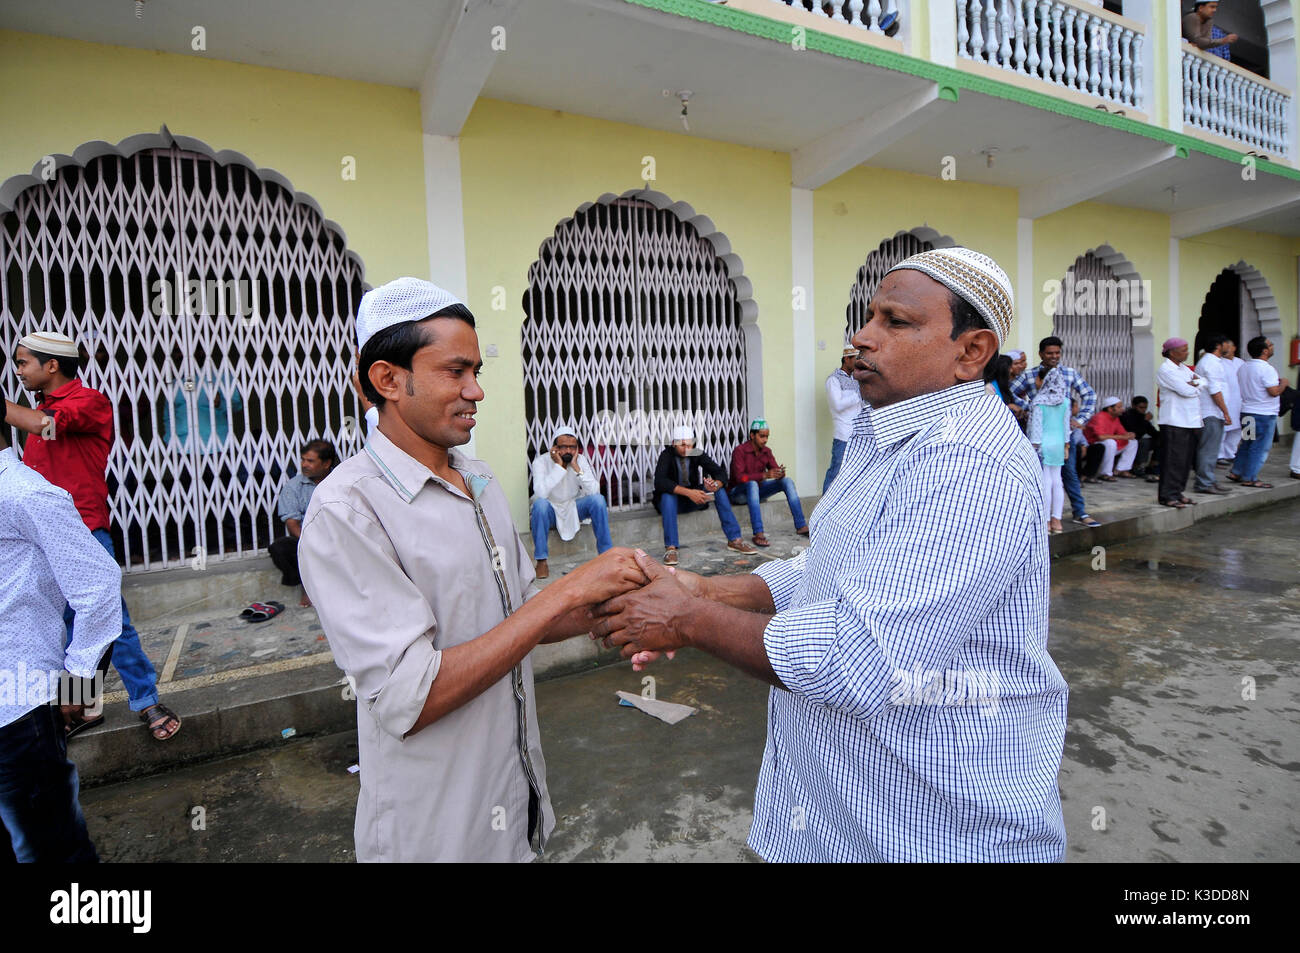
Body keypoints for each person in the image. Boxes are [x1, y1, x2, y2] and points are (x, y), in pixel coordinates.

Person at [594, 247, 1068, 862]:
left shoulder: (969, 462)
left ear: (970, 352)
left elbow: (854, 659)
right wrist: (700, 590)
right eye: (868, 317)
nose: (861, 338)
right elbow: (824, 575)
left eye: (895, 323)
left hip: (931, 827)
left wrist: (685, 620)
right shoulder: (883, 434)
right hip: (826, 812)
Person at [297, 277, 646, 863]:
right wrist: (565, 595)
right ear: (387, 380)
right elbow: (414, 695)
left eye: (476, 370)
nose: (476, 391)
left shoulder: (478, 479)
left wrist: (634, 601)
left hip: (516, 800)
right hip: (436, 832)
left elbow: (521, 607)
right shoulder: (347, 511)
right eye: (455, 372)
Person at [5, 331, 180, 741]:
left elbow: (46, 428)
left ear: (52, 365)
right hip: (44, 537)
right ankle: (83, 706)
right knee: (67, 628)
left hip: (83, 530)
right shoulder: (39, 408)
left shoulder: (88, 402)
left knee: (110, 620)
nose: (18, 370)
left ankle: (147, 700)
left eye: (23, 362)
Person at [0, 422, 121, 861]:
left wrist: (79, 689)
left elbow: (99, 586)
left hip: (18, 711)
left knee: (49, 852)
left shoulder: (24, 494)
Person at [1012, 336, 1101, 527]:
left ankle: (1079, 512)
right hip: (1039, 434)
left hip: (1062, 434)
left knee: (1068, 475)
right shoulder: (1030, 375)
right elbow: (1008, 391)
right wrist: (1027, 408)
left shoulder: (1069, 373)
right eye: (1050, 353)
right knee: (1043, 478)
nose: (1054, 356)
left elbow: (1089, 395)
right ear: (1041, 354)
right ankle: (1044, 518)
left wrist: (1080, 419)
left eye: (1057, 353)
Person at [652, 425, 755, 565]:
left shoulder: (696, 453)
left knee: (719, 490)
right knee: (667, 496)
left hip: (694, 499)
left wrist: (714, 485)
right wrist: (689, 492)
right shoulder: (667, 455)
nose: (686, 448)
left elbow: (720, 473)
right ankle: (671, 548)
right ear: (673, 444)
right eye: (682, 445)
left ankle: (735, 540)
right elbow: (660, 482)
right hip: (673, 503)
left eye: (689, 445)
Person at [529, 424, 612, 579]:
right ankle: (541, 561)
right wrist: (559, 467)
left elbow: (594, 490)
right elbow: (540, 493)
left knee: (598, 501)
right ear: (555, 448)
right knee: (539, 505)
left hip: (573, 507)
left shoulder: (580, 460)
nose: (568, 451)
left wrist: (576, 467)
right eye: (564, 447)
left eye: (572, 447)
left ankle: (606, 555)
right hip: (550, 509)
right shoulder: (541, 462)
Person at [267, 439, 339, 607]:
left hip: (340, 536)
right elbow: (292, 523)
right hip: (308, 538)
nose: (304, 464)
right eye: (303, 459)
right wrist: (310, 541)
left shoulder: (342, 480)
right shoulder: (293, 487)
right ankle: (307, 585)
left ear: (327, 463)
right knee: (280, 547)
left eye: (310, 461)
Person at [729, 419, 809, 548]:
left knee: (787, 481)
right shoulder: (740, 451)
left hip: (756, 491)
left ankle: (801, 525)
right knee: (752, 484)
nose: (765, 440)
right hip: (738, 494)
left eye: (767, 436)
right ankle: (758, 533)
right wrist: (765, 475)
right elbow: (740, 478)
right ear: (752, 435)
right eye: (762, 436)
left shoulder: (766, 451)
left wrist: (779, 473)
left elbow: (774, 471)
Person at [1228, 336, 1285, 488]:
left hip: (1247, 412)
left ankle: (1237, 471)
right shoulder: (1267, 368)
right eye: (1270, 345)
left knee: (1247, 443)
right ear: (1265, 351)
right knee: (1259, 447)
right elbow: (1273, 392)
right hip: (1263, 415)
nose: (1273, 347)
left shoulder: (1244, 367)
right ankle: (1250, 477)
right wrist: (1284, 384)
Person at [1155, 337, 1204, 508]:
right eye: (1183, 350)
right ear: (1172, 352)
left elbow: (1203, 381)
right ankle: (1167, 495)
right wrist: (1193, 386)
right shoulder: (1166, 369)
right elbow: (1185, 391)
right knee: (1173, 461)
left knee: (1185, 461)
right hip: (1174, 421)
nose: (1187, 352)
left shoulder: (1183, 369)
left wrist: (1193, 385)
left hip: (1190, 421)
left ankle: (1178, 491)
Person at [1029, 367, 1070, 535]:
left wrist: (1033, 446)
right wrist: (1066, 445)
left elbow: (1036, 429)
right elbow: (1066, 426)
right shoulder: (1065, 401)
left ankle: (1045, 521)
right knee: (1057, 481)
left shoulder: (1039, 401)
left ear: (1043, 381)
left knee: (1045, 482)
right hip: (1059, 444)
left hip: (1044, 444)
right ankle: (1057, 521)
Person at [1192, 334, 1234, 494]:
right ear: (1219, 346)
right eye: (1227, 344)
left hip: (1212, 412)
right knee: (1208, 450)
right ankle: (1204, 483)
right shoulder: (1210, 362)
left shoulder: (1213, 362)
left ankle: (1209, 480)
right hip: (1210, 412)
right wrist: (1225, 412)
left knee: (1211, 450)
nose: (1229, 347)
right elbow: (1215, 390)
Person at [823, 345, 863, 493]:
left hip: (858, 436)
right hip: (843, 436)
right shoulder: (833, 380)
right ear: (846, 359)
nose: (858, 362)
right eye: (855, 359)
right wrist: (856, 395)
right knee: (835, 474)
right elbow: (837, 404)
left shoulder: (856, 380)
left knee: (854, 475)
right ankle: (822, 512)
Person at [1083, 396, 1139, 482]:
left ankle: (1121, 470)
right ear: (1110, 408)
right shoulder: (1099, 417)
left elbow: (1122, 433)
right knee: (1110, 442)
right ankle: (1105, 473)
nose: (1122, 409)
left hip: (1107, 446)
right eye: (1119, 407)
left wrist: (1129, 435)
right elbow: (1100, 437)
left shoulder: (1115, 418)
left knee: (1133, 442)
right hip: (1094, 446)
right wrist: (1122, 437)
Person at [1120, 395, 1160, 479]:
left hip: (1137, 441)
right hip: (1128, 441)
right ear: (1134, 406)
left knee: (1160, 440)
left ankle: (1153, 465)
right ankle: (1138, 466)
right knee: (1144, 442)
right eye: (1141, 407)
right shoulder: (1127, 416)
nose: (1143, 410)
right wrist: (1145, 421)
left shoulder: (1142, 416)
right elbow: (1135, 433)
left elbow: (1153, 432)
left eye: (1145, 408)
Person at [1218, 338, 1245, 464]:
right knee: (1223, 429)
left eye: (1228, 346)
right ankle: (1219, 455)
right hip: (1225, 401)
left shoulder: (1241, 363)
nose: (1226, 348)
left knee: (1237, 429)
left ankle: (1230, 453)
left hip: (1239, 401)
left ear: (1234, 348)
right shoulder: (1218, 363)